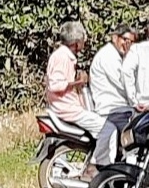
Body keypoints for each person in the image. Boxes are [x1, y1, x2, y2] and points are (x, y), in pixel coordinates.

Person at [45, 21, 104, 178]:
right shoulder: (62, 57)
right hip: (68, 109)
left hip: (70, 106)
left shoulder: (65, 56)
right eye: (83, 40)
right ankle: (94, 167)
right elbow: (56, 85)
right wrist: (78, 82)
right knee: (106, 129)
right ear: (77, 43)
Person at [88, 25, 138, 174]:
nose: (128, 45)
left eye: (132, 42)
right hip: (111, 109)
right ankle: (124, 172)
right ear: (115, 38)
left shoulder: (118, 56)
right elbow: (125, 83)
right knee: (136, 134)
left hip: (121, 107)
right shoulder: (108, 56)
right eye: (125, 40)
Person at [122, 25, 149, 110]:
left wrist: (133, 102)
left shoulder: (137, 49)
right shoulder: (137, 49)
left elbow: (125, 71)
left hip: (142, 107)